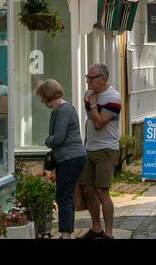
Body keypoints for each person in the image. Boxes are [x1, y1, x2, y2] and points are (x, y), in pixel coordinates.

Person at [38, 78, 86, 239]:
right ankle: (67, 234)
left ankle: (66, 235)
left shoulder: (63, 110)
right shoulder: (61, 110)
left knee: (63, 196)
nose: (42, 101)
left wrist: (47, 141)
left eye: (42, 97)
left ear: (48, 95)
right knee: (67, 195)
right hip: (71, 157)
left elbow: (57, 138)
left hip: (70, 158)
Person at [81, 63, 123, 238]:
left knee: (102, 191)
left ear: (103, 79)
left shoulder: (114, 97)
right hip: (90, 147)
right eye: (87, 77)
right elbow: (89, 122)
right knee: (87, 190)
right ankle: (96, 227)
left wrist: (93, 105)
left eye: (91, 78)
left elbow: (98, 124)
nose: (87, 82)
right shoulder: (88, 94)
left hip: (107, 148)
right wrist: (84, 144)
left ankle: (109, 232)